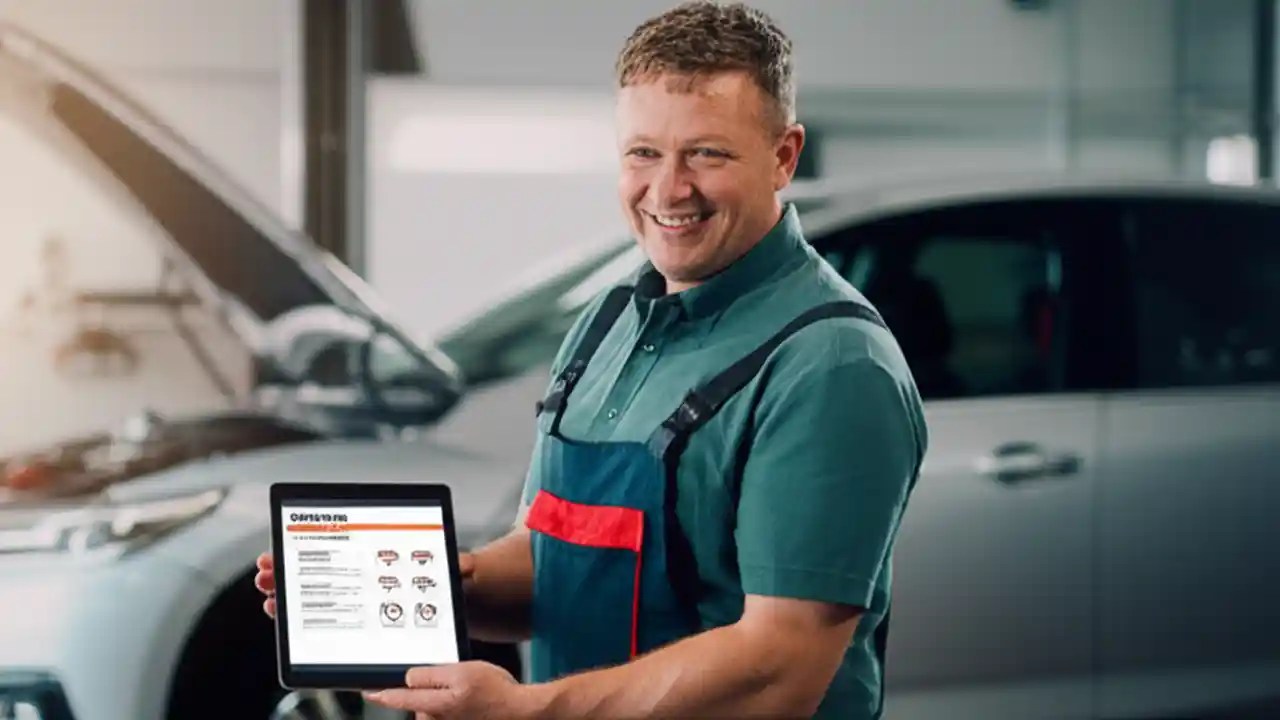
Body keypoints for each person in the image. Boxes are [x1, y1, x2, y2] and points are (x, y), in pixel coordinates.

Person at [256, 2, 927, 717]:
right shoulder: (607, 322)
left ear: (783, 156)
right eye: (644, 153)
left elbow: (779, 665)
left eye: (708, 153)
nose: (669, 189)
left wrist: (527, 711)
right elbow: (560, 560)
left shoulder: (830, 364)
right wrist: (429, 591)